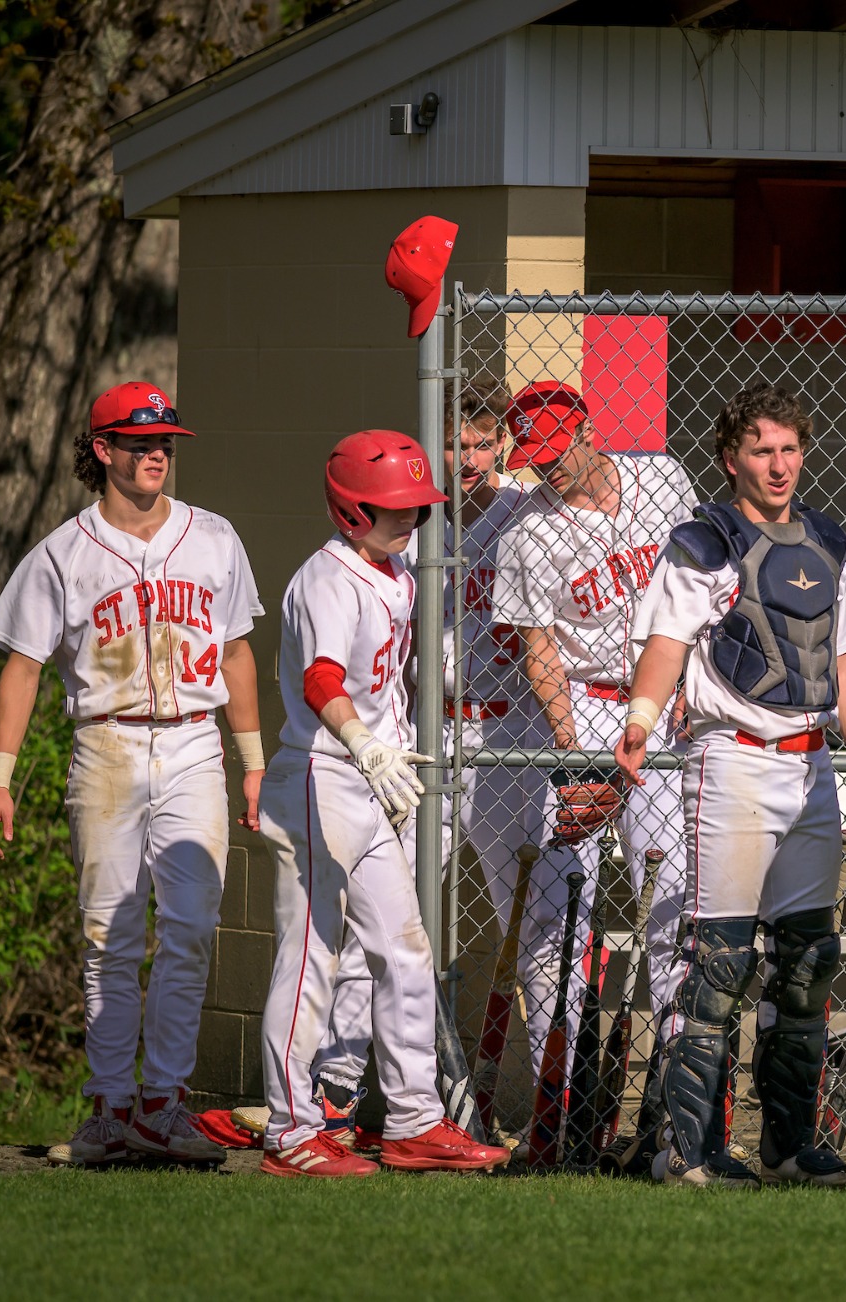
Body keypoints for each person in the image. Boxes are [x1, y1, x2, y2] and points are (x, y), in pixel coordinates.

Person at [615, 382, 846, 1188]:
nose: (779, 465)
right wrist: (640, 719)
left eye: (789, 448)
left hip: (811, 765)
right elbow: (668, 642)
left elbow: (843, 663)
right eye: (761, 450)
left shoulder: (825, 540)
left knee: (807, 961)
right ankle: (688, 1148)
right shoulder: (703, 542)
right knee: (720, 962)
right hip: (733, 759)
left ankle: (788, 1145)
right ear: (730, 459)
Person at [0, 381, 264, 1168]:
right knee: (109, 934)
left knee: (192, 929)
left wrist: (253, 763)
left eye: (164, 442)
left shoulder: (214, 537)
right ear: (103, 450)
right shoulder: (63, 552)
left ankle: (162, 1104)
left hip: (195, 745)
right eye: (140, 443)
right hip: (105, 746)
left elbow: (236, 653)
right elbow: (24, 666)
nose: (157, 455)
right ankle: (109, 1108)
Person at [255, 429, 510, 1178]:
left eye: (415, 506)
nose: (409, 518)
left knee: (404, 950)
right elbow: (321, 680)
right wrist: (366, 744)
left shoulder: (395, 569)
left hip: (370, 779)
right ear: (349, 509)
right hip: (321, 775)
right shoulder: (328, 579)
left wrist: (379, 754)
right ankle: (291, 1131)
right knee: (311, 961)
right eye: (393, 506)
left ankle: (412, 1120)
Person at [492, 379, 696, 1081]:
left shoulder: (663, 478)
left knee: (671, 897)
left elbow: (702, 585)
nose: (545, 468)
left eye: (555, 452)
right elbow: (540, 648)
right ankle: (563, 1088)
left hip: (666, 697)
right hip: (587, 702)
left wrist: (690, 681)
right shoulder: (527, 533)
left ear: (586, 432)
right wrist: (572, 750)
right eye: (534, 458)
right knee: (557, 908)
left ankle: (680, 1082)